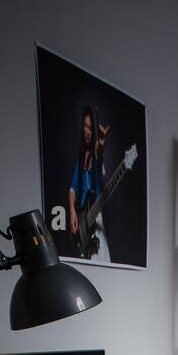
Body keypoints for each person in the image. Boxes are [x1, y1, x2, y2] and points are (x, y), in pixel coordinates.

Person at [68, 105, 112, 264]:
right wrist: (72, 210)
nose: (87, 131)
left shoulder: (96, 154)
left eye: (90, 128)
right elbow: (73, 188)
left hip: (95, 217)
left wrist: (101, 145)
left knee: (100, 259)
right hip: (82, 220)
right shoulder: (80, 160)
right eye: (85, 126)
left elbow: (99, 157)